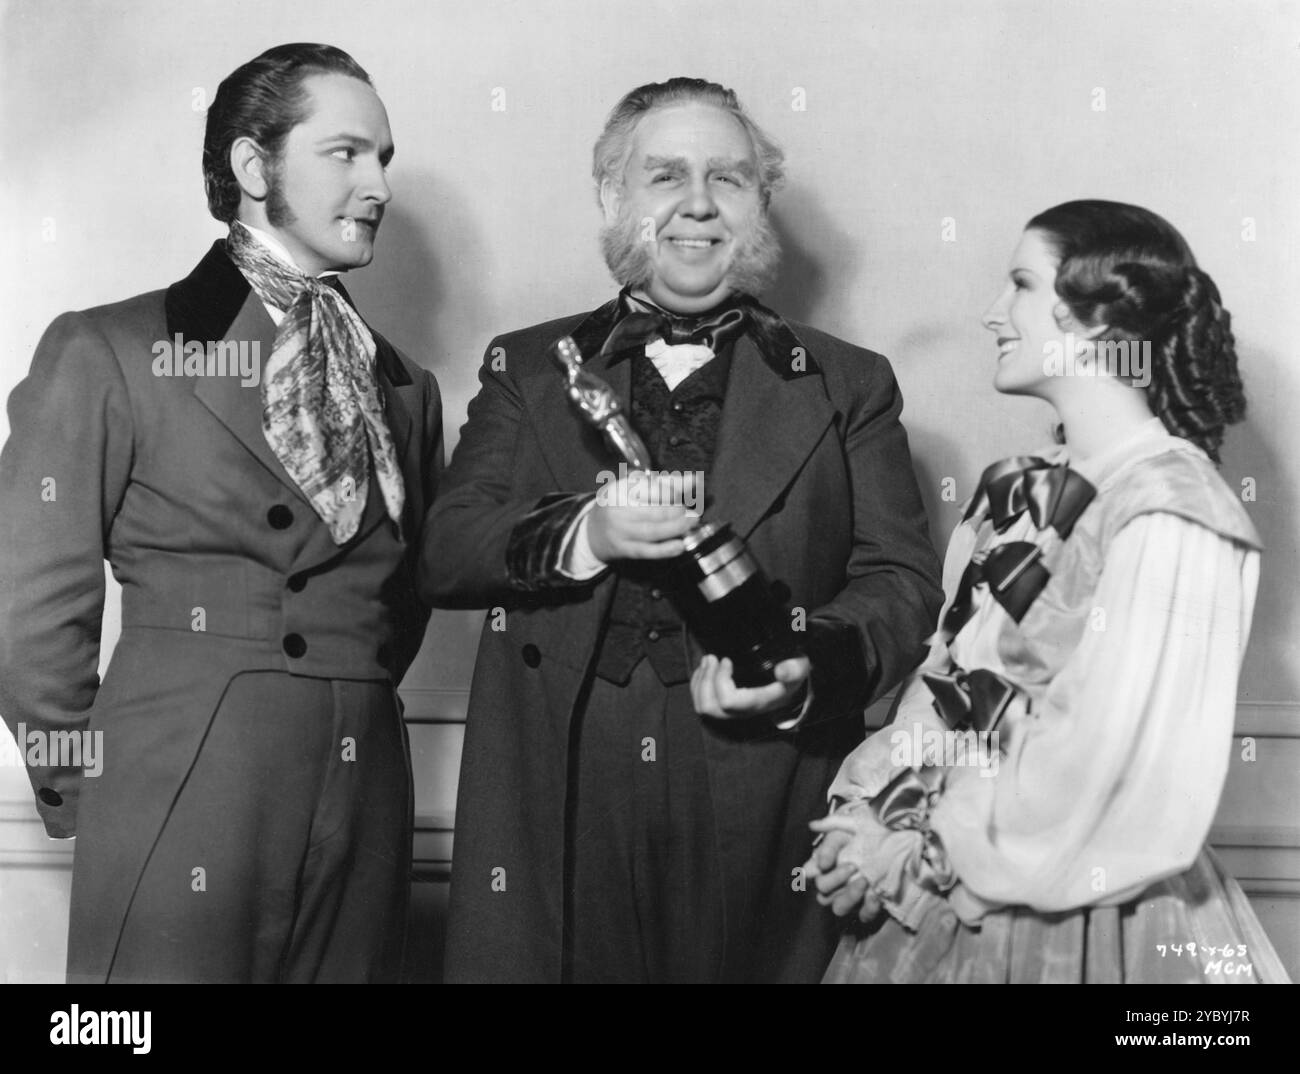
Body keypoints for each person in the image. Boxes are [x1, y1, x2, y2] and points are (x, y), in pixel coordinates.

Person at [422, 77, 943, 983]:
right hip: (560, 772)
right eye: (665, 176)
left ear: (760, 203)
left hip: (765, 772)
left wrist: (805, 667)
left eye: (729, 179)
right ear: (613, 197)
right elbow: (447, 549)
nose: (698, 203)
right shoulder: (528, 366)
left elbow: (902, 585)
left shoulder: (848, 382)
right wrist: (591, 531)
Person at [0, 44, 444, 982]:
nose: (378, 185)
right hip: (180, 772)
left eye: (385, 160)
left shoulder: (406, 387)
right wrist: (92, 785)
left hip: (363, 782)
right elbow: (27, 607)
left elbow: (400, 605)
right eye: (346, 153)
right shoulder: (110, 349)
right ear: (253, 167)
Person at [804, 199, 1291, 984]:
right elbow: (946, 694)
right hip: (946, 894)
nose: (994, 313)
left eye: (1021, 284)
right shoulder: (1012, 496)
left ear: (1097, 318)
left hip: (1094, 912)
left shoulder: (1173, 511)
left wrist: (920, 854)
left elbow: (1109, 769)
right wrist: (870, 818)